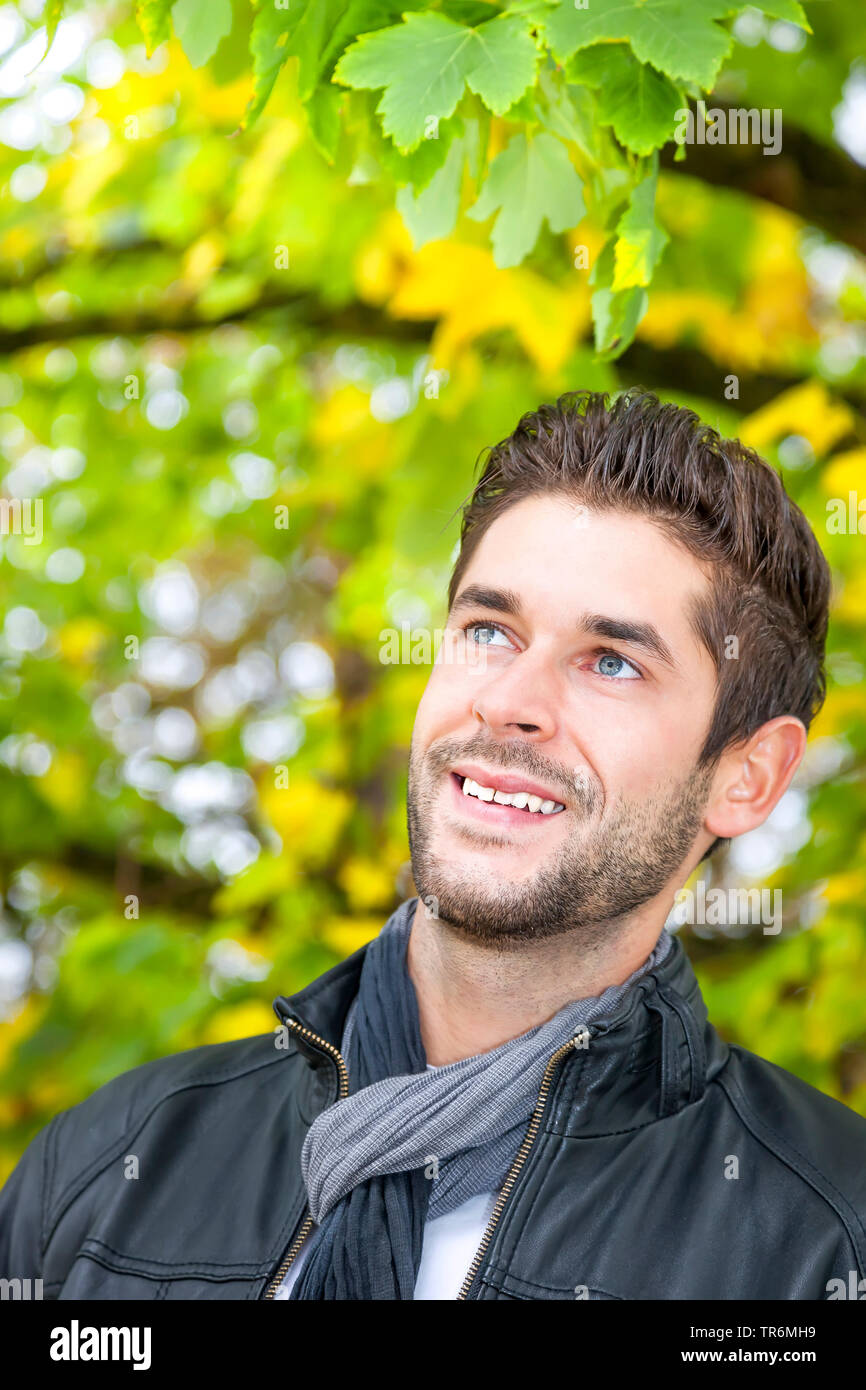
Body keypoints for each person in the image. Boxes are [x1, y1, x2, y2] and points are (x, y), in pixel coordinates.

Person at [1, 388, 864, 1301]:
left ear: (749, 776)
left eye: (612, 662)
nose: (509, 702)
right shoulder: (102, 1176)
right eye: (489, 631)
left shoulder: (823, 1247)